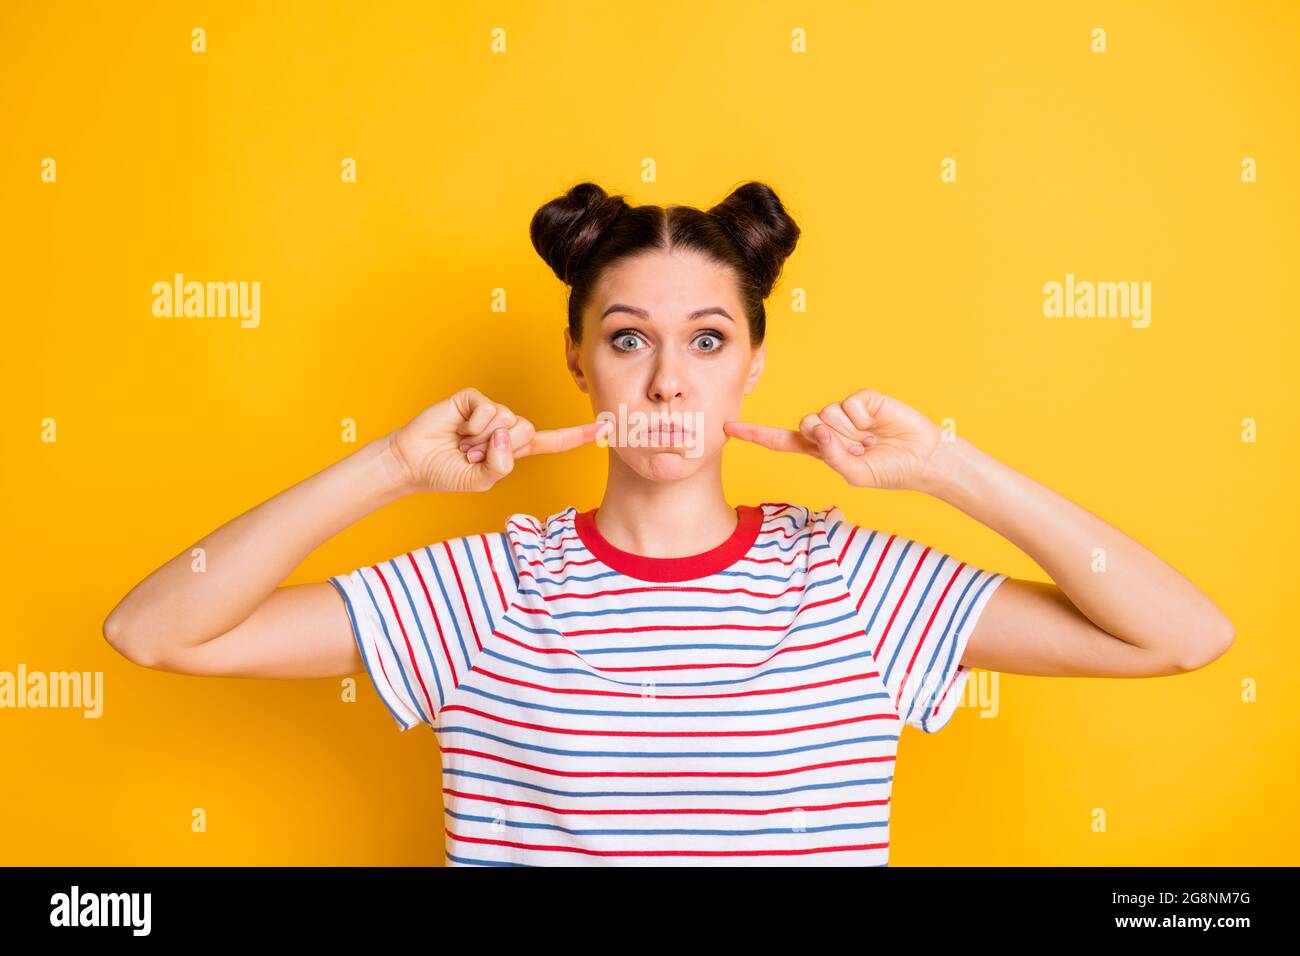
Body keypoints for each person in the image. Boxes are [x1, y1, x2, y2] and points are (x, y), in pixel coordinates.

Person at [103, 181, 1235, 867]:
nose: (664, 384)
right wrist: (392, 466)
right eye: (627, 337)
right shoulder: (485, 590)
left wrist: (946, 466)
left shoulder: (853, 580)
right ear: (578, 359)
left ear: (751, 365)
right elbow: (157, 631)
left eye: (705, 340)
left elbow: (1180, 634)